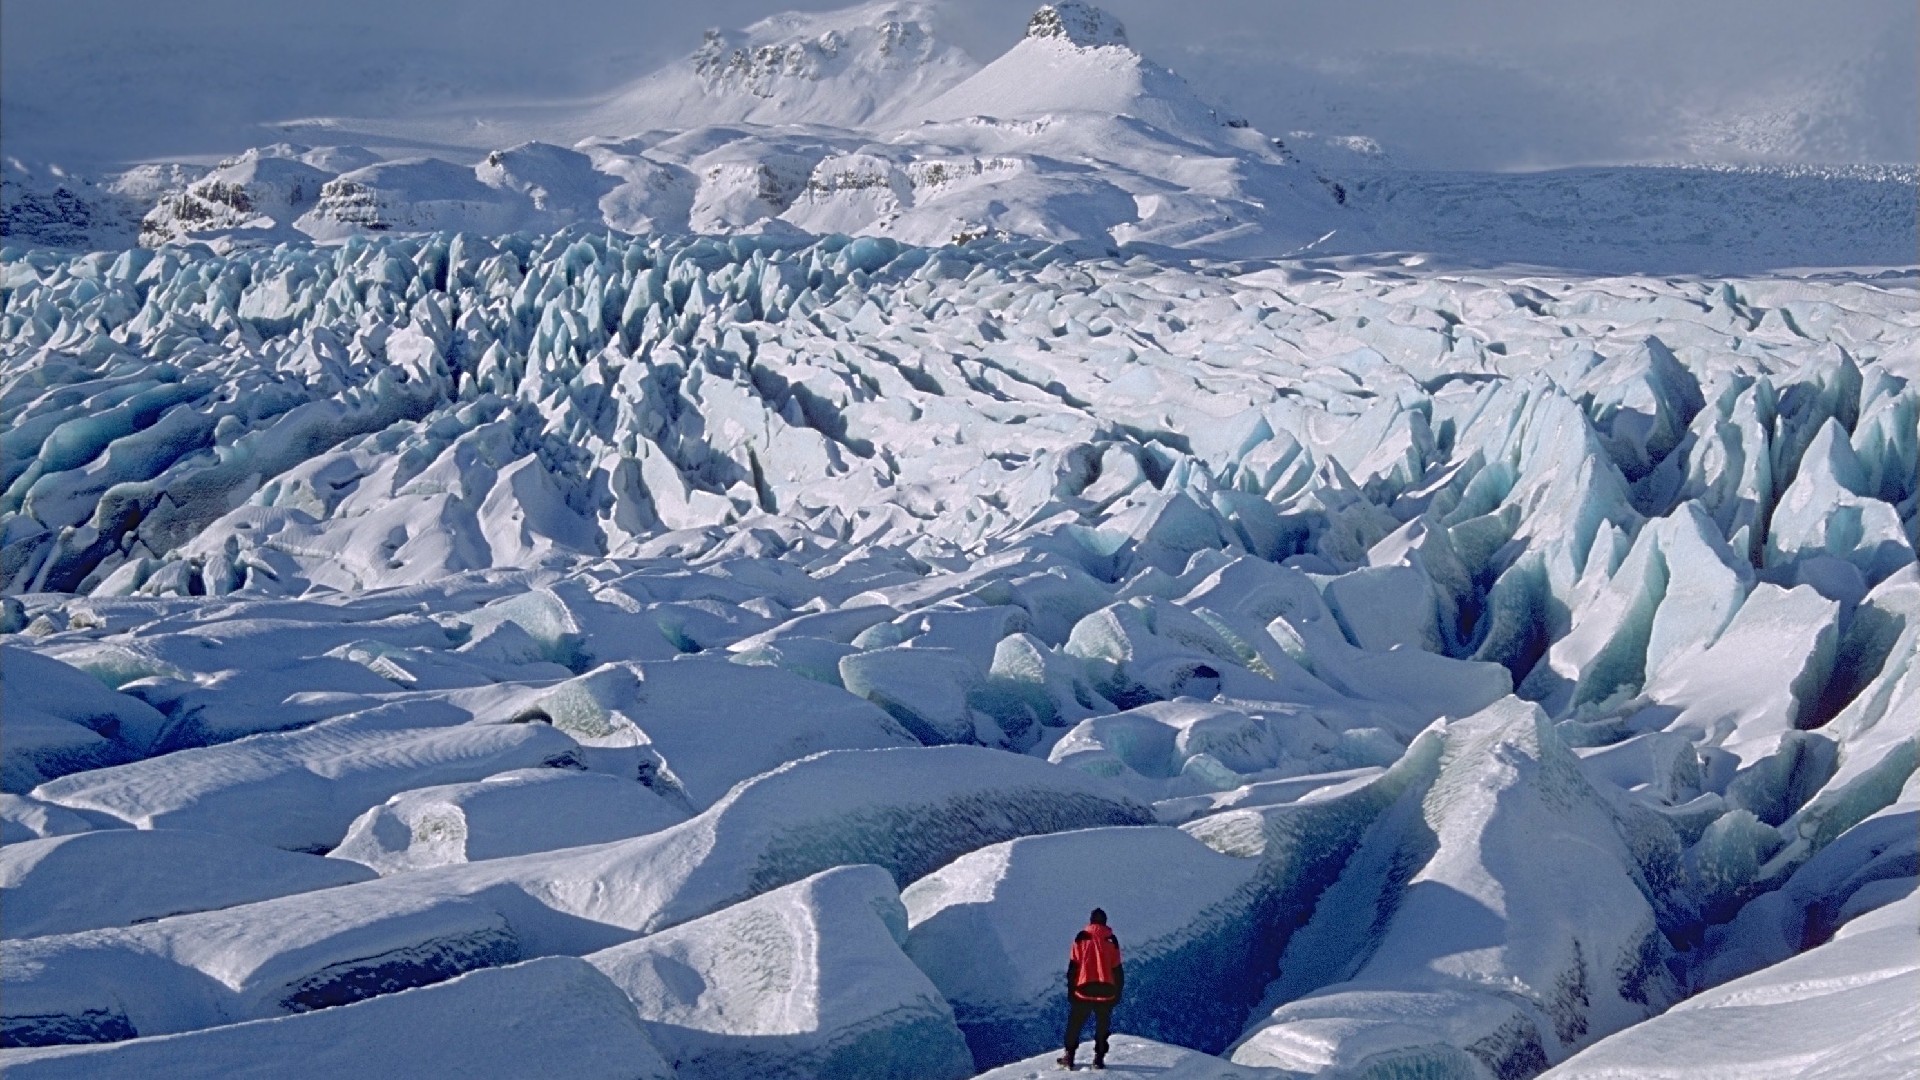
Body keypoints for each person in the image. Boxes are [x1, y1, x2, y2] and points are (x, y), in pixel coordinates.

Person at [1057, 907, 1123, 1071]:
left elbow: (1073, 967)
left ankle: (1069, 1056)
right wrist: (1117, 993)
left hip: (1083, 989)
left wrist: (1071, 991)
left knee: (1074, 1024)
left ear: (1091, 921)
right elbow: (1117, 970)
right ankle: (1098, 1058)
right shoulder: (1111, 940)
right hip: (1107, 991)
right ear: (1105, 922)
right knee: (1102, 1025)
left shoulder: (1081, 938)